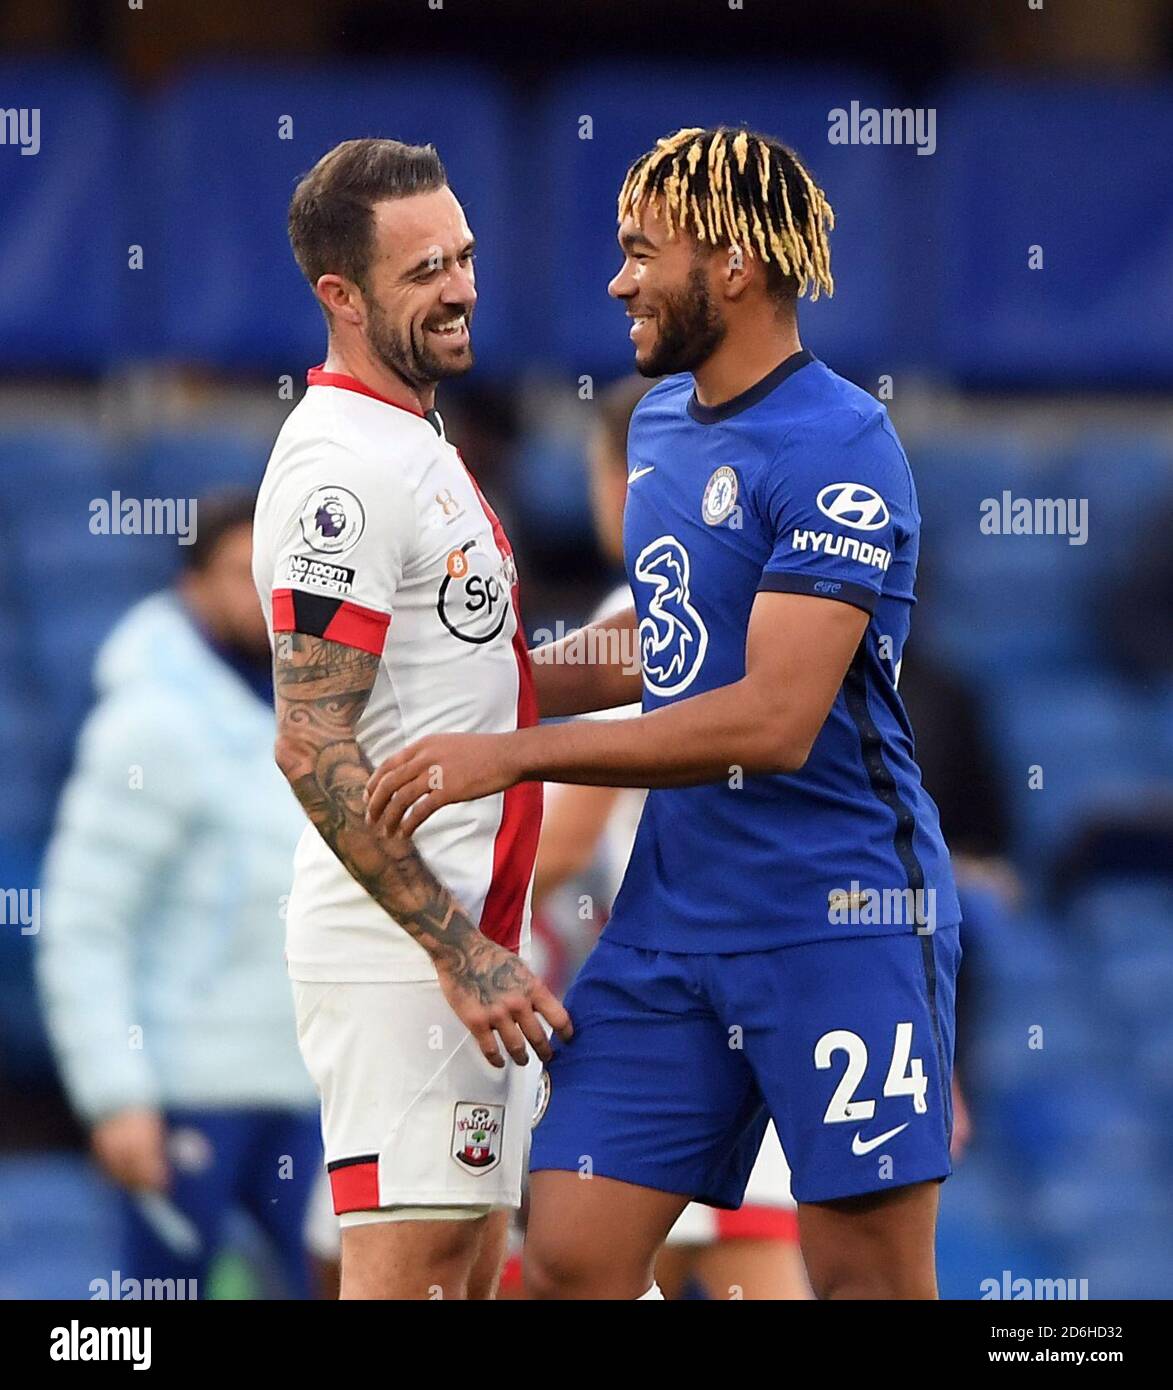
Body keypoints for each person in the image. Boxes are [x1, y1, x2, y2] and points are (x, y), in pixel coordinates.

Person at [365, 126, 962, 1300]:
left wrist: (513, 752)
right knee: (577, 1251)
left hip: (837, 916)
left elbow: (771, 717)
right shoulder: (660, 424)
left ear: (733, 263)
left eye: (642, 253)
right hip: (675, 919)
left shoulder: (844, 442)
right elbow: (668, 641)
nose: (618, 281)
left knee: (864, 1280)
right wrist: (490, 675)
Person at [252, 138, 570, 1301]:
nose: (461, 288)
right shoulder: (340, 467)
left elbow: (494, 679)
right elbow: (311, 740)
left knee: (467, 1284)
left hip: (459, 954)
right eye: (424, 269)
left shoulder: (416, 444)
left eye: (466, 257)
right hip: (408, 959)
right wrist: (455, 946)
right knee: (418, 1285)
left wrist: (682, 661)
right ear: (340, 296)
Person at [534, 374, 808, 1300]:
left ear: (627, 481)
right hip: (786, 962)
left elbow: (564, 845)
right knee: (739, 1255)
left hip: (687, 984)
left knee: (706, 1258)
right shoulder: (768, 594)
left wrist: (436, 901)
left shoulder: (642, 614)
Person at [37, 491, 320, 1298]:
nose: (263, 597)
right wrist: (115, 1093)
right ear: (191, 585)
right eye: (240, 573)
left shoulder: (327, 714)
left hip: (312, 1085)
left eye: (277, 575)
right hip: (187, 1089)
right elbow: (87, 920)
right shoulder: (149, 726)